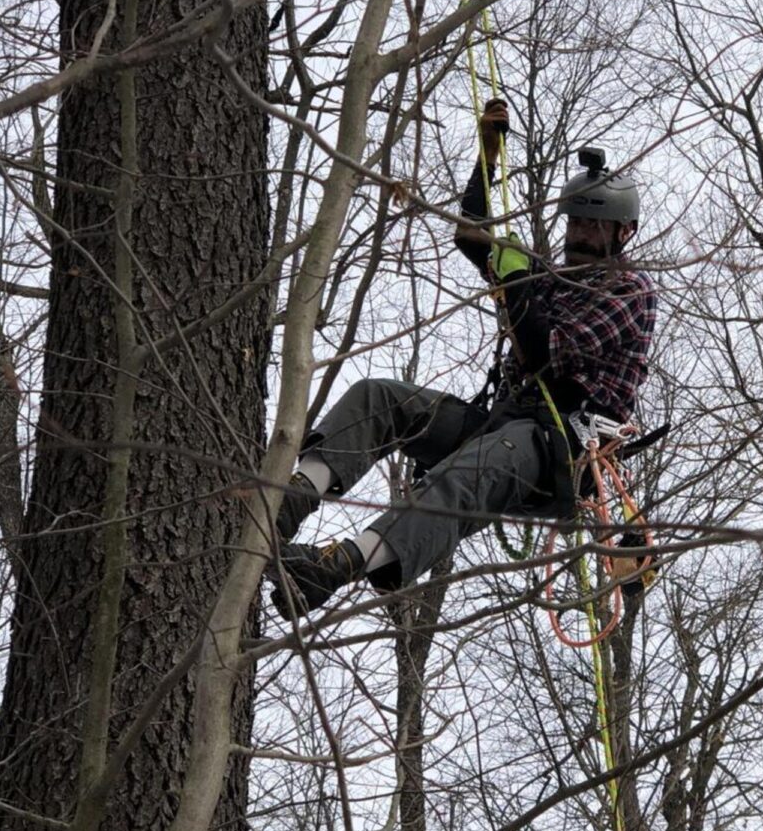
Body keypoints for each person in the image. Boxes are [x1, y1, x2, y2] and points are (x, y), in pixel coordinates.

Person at [267, 98, 658, 619]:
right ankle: (290, 502)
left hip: (559, 450)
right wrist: (487, 159)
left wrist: (518, 280)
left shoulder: (630, 290)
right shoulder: (548, 279)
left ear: (622, 233)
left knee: (468, 469)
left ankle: (339, 564)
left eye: (593, 227)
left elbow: (549, 353)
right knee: (379, 397)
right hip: (504, 424)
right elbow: (472, 236)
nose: (579, 236)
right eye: (575, 224)